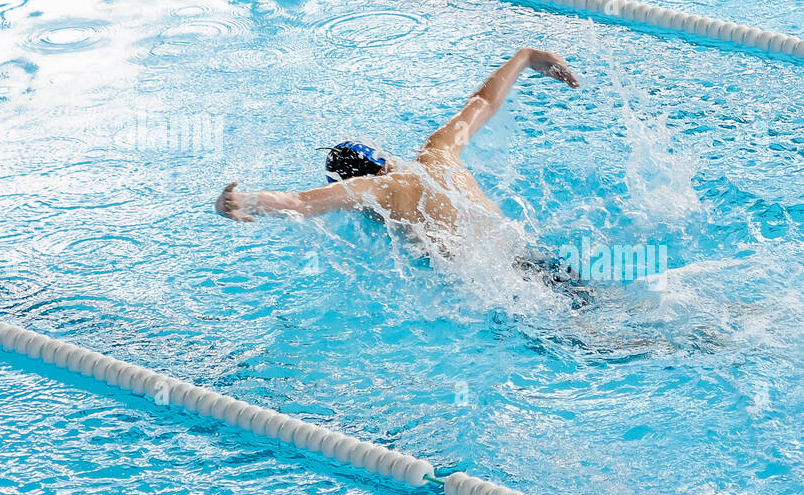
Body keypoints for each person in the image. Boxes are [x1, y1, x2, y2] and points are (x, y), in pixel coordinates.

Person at [214, 47, 594, 305]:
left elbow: (298, 203)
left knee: (598, 347)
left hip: (508, 293)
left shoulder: (377, 191)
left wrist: (240, 201)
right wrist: (525, 57)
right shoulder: (440, 152)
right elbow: (482, 102)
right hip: (535, 262)